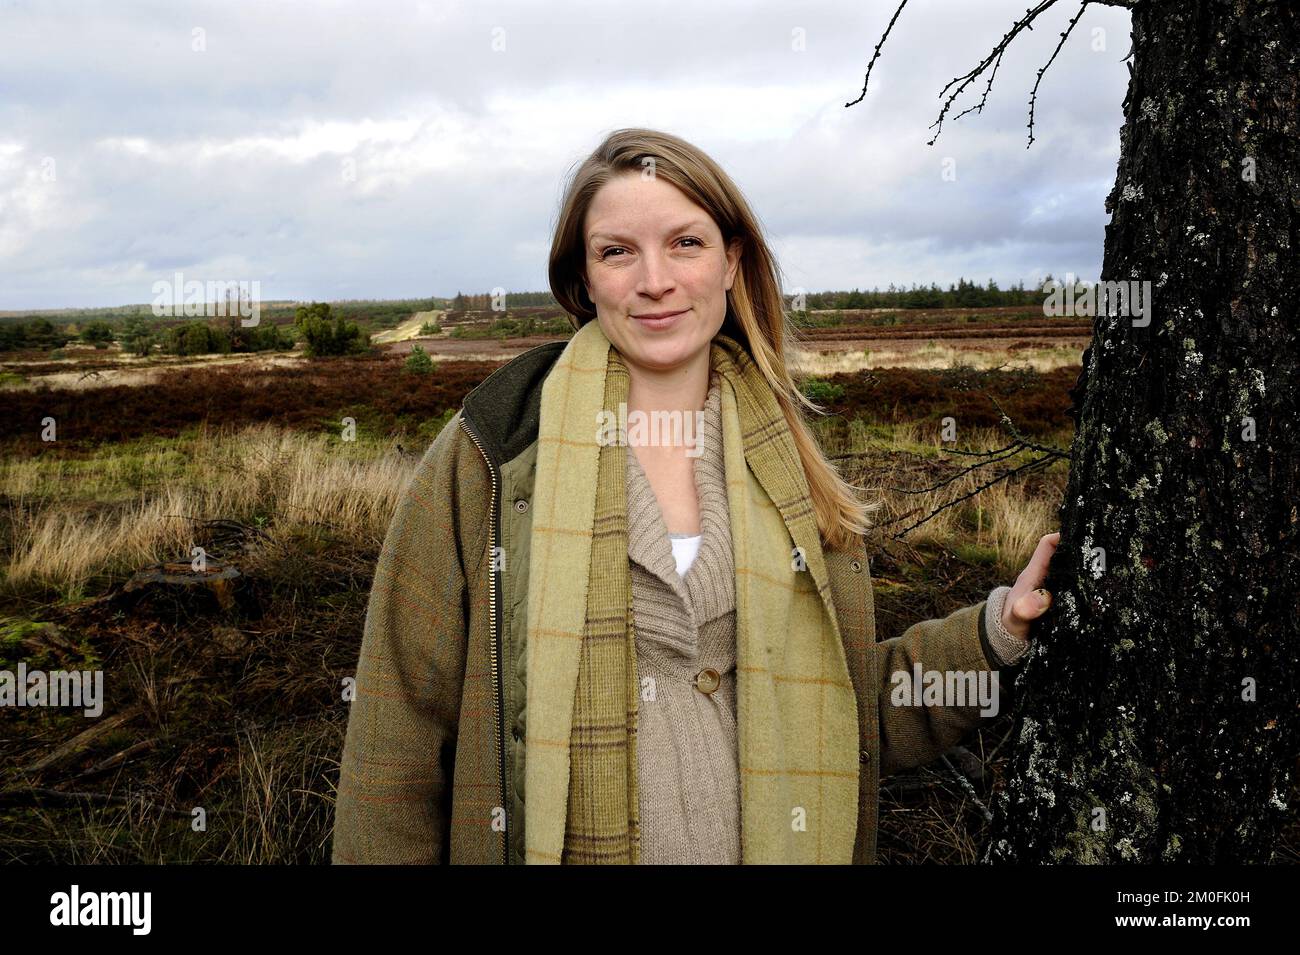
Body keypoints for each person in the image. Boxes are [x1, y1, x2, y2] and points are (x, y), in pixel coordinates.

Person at [332, 127, 1060, 865]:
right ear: (584, 279)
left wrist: (993, 631)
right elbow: (394, 744)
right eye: (617, 250)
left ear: (731, 260)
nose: (655, 279)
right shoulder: (493, 453)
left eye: (685, 243)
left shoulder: (787, 463)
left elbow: (843, 713)